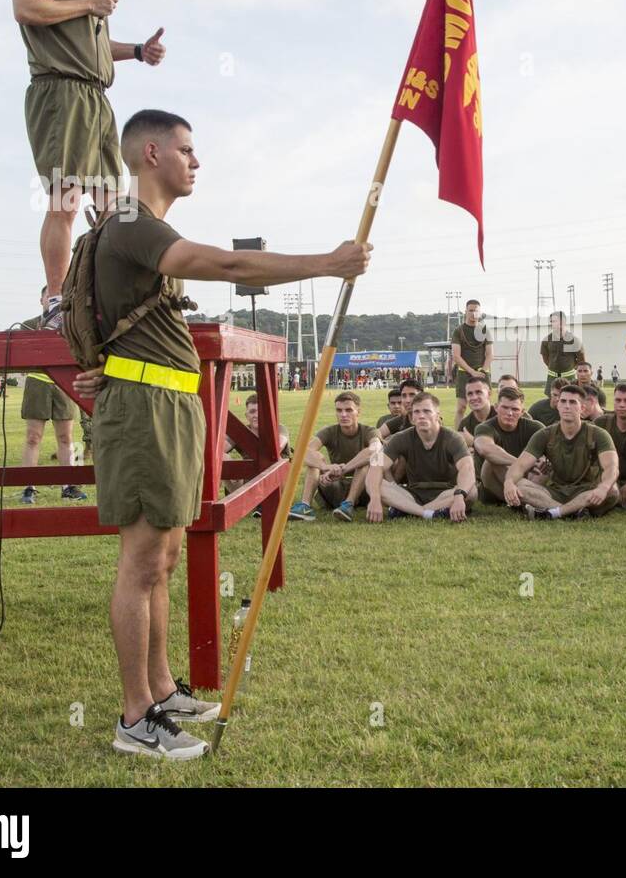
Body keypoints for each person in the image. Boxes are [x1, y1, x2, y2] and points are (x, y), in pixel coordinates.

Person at [80, 109, 370, 759]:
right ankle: (135, 719)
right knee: (142, 560)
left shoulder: (145, 228)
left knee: (166, 557)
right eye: (187, 149)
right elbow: (231, 267)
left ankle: (160, 692)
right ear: (151, 153)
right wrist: (327, 262)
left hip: (169, 403)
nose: (197, 160)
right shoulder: (132, 223)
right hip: (146, 405)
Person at [12, 0, 168, 329]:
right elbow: (24, 7)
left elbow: (91, 46)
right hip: (60, 92)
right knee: (65, 197)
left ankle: (103, 292)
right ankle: (56, 302)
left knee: (113, 205)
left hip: (96, 96)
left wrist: (137, 50)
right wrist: (90, 4)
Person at [504, 384, 619, 520]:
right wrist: (509, 482)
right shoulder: (545, 434)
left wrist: (603, 487)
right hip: (556, 491)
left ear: (582, 408)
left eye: (572, 402)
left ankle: (553, 512)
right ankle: (573, 512)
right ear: (557, 406)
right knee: (520, 486)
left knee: (612, 491)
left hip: (587, 490)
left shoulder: (598, 434)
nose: (567, 406)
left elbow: (612, 467)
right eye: (563, 401)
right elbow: (520, 465)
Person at [17, 292, 85, 505]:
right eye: (49, 296)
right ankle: (29, 486)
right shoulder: (29, 325)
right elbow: (23, 355)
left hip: (63, 383)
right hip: (37, 382)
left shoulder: (72, 323)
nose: (52, 300)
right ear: (42, 300)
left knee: (65, 437)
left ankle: (68, 485)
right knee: (33, 436)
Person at [366, 391, 474, 521]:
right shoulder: (401, 438)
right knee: (374, 482)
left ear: (437, 415)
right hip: (412, 494)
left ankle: (408, 510)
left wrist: (458, 495)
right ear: (412, 418)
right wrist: (375, 499)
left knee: (471, 491)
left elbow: (467, 468)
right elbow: (376, 466)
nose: (421, 416)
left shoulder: (452, 438)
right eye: (416, 412)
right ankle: (428, 513)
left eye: (427, 411)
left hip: (446, 492)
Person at [291, 391, 376, 522]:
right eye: (339, 410)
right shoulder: (329, 431)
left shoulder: (369, 431)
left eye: (348, 410)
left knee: (364, 463)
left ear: (358, 411)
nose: (343, 415)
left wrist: (343, 469)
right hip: (335, 486)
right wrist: (325, 467)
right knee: (314, 462)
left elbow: (375, 451)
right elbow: (302, 452)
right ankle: (305, 506)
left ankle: (348, 505)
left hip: (363, 488)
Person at [473, 387, 545, 505]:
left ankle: (522, 500)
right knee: (491, 460)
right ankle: (530, 500)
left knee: (545, 462)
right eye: (505, 408)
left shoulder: (536, 428)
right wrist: (521, 465)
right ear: (496, 407)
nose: (510, 413)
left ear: (522, 412)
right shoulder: (485, 427)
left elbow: (552, 450)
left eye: (515, 409)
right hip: (494, 487)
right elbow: (485, 449)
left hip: (527, 481)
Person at [451, 299, 493, 423]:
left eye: (476, 310)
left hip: (482, 371)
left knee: (485, 407)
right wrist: (471, 371)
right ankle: (458, 437)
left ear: (480, 312)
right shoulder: (458, 331)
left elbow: (490, 354)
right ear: (465, 311)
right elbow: (457, 356)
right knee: (461, 407)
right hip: (464, 372)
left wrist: (482, 370)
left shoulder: (485, 330)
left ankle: (487, 433)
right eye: (470, 310)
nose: (473, 313)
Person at [539, 310, 585, 394]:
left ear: (563, 322)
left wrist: (570, 368)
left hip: (569, 377)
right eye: (551, 321)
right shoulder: (546, 340)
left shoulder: (574, 340)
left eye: (554, 321)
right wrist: (553, 366)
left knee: (570, 397)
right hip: (552, 376)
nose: (552, 323)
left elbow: (581, 360)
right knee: (552, 400)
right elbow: (545, 357)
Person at [457, 375, 495, 444]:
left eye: (479, 392)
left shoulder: (501, 417)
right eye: (470, 394)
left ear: (489, 394)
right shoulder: (465, 425)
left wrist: (473, 442)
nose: (474, 397)